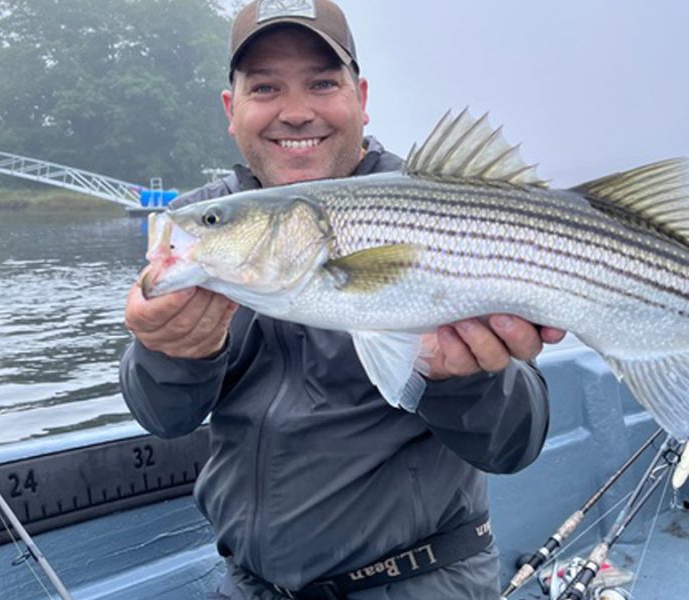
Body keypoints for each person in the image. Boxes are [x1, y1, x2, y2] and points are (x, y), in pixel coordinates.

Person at [120, 1, 565, 598]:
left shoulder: (442, 204)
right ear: (233, 108)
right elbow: (163, 418)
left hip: (418, 582)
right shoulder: (208, 226)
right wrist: (171, 353)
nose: (296, 111)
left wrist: (463, 379)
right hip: (248, 585)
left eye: (322, 83)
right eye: (266, 87)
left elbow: (516, 442)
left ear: (360, 95)